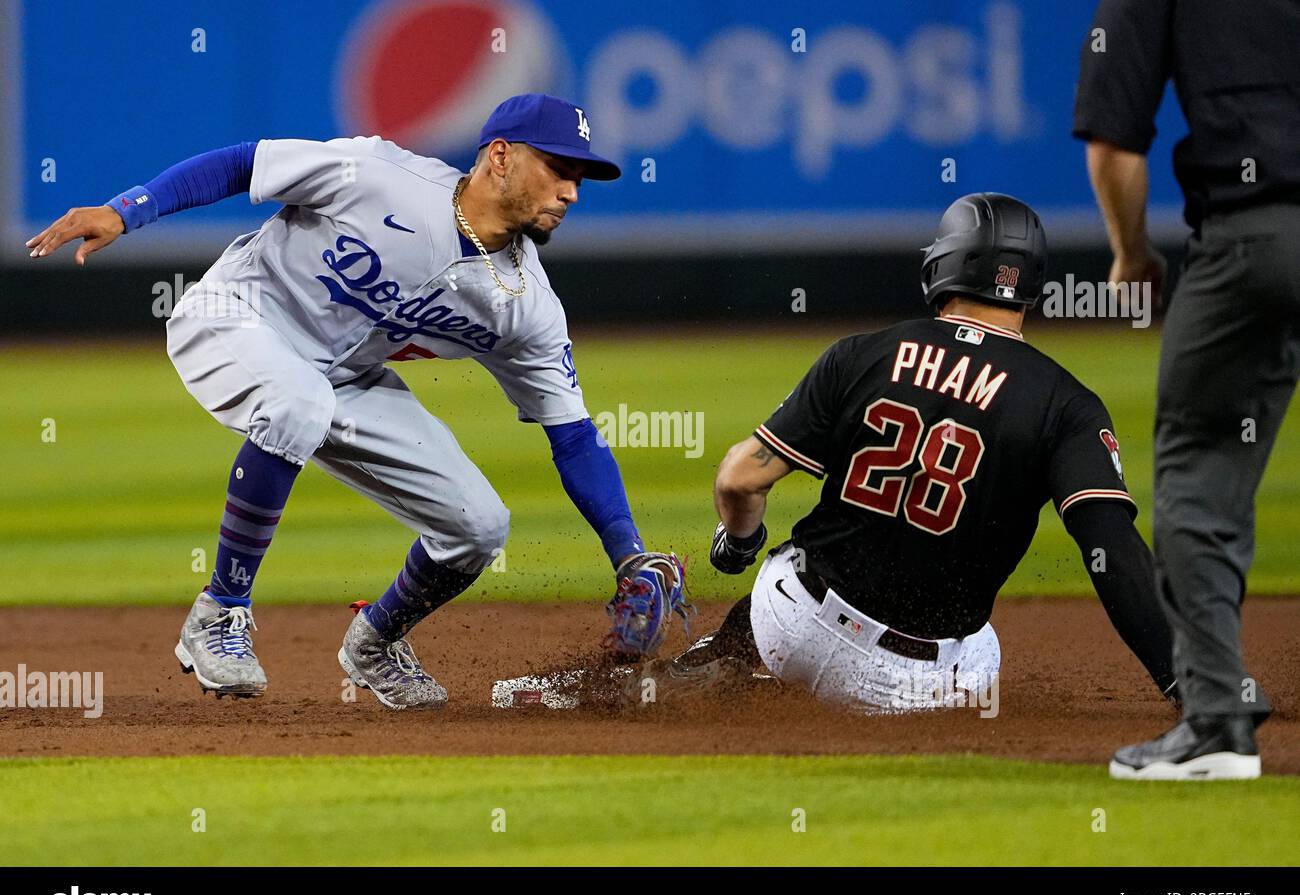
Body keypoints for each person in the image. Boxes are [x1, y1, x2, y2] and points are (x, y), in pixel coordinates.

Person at [25, 93, 686, 710]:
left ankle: (377, 640)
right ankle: (220, 610)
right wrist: (126, 210)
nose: (571, 191)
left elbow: (572, 436)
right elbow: (245, 163)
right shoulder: (380, 176)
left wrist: (628, 556)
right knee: (297, 400)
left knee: (479, 526)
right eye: (559, 168)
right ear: (500, 156)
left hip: (342, 377)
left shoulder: (527, 307)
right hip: (235, 317)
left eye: (580, 177)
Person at [676, 193, 1177, 715]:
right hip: (918, 686)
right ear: (1031, 285)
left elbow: (740, 479)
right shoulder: (1067, 404)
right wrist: (1186, 682)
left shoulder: (862, 354)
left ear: (942, 265)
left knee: (788, 569)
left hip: (796, 630)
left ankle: (707, 666)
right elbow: (1115, 556)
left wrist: (739, 544)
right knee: (982, 643)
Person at [1074, 0, 1298, 779]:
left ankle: (1215, 724)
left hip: (1257, 234)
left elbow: (1114, 144)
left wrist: (1131, 256)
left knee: (1199, 477)